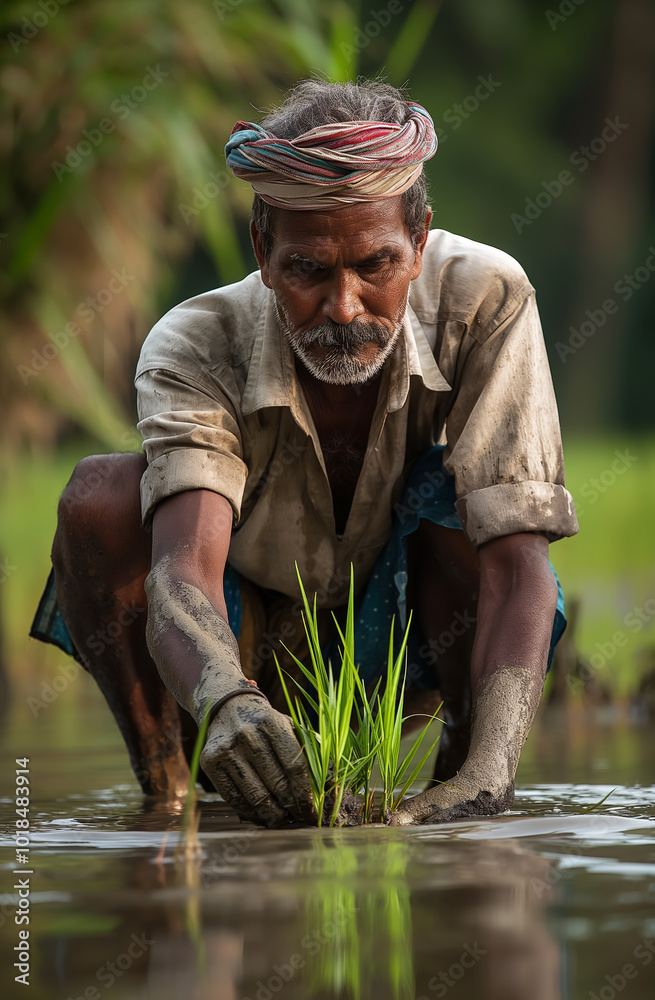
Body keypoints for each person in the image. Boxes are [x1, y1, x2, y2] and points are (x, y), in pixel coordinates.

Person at [31, 78, 579, 827]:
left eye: (375, 266)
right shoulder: (196, 343)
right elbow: (181, 570)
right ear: (262, 251)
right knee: (99, 497)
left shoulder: (484, 298)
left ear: (418, 243)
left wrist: (492, 775)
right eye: (307, 270)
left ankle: (457, 790)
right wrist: (226, 702)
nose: (344, 307)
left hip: (400, 634)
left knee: (455, 500)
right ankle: (169, 794)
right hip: (242, 644)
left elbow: (519, 560)